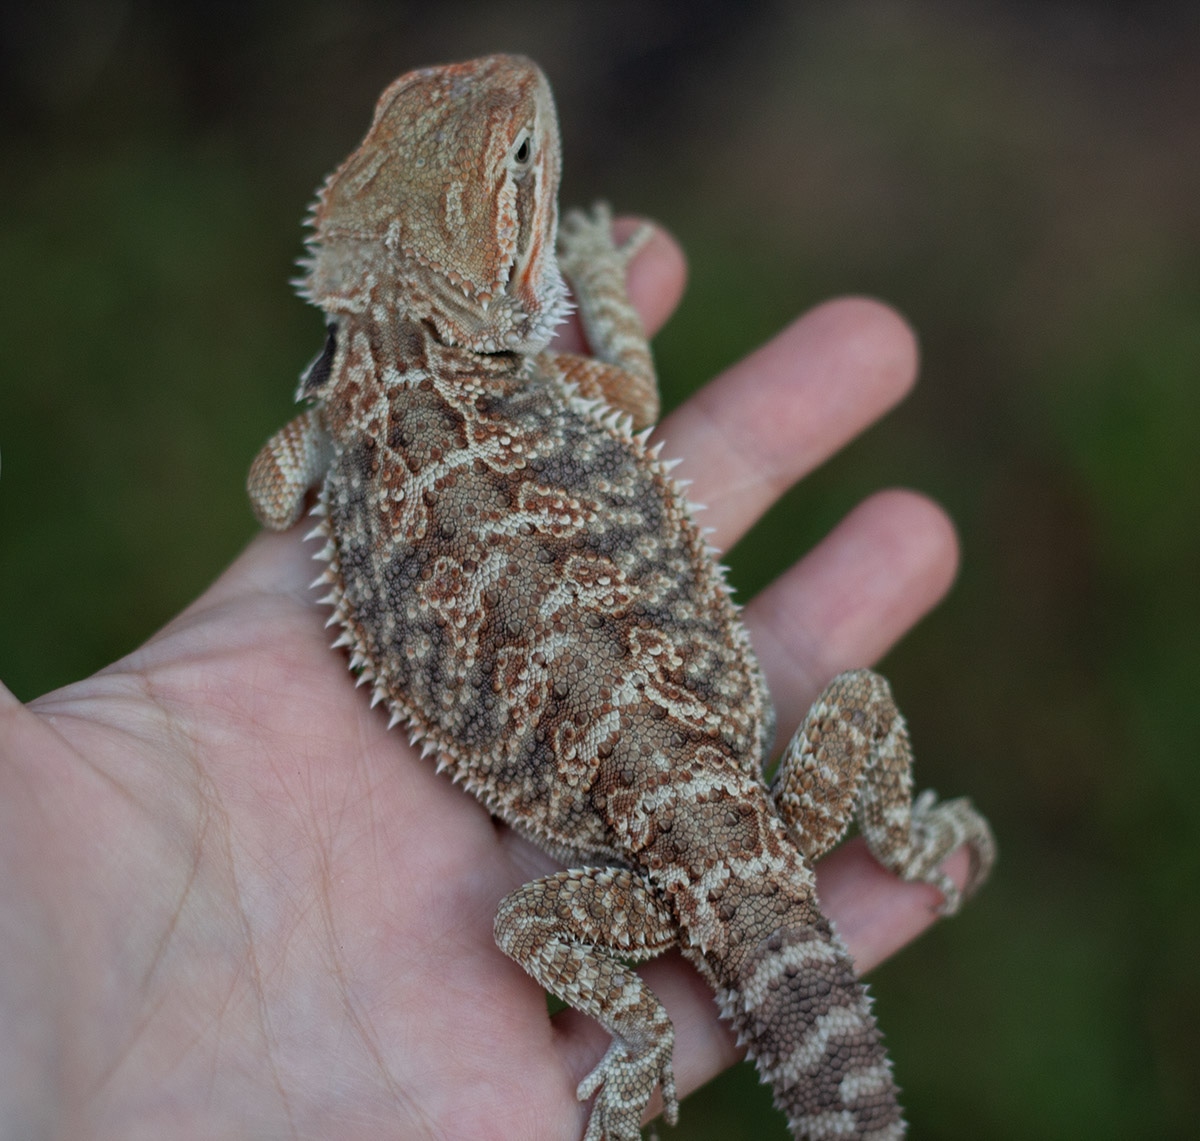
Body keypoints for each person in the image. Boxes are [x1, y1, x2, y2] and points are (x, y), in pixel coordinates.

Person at [0, 222, 971, 1138]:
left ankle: (661, 1027)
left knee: (535, 919)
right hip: (710, 793)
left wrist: (640, 1028)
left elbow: (270, 486)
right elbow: (625, 389)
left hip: (686, 809)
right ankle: (906, 835)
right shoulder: (509, 384)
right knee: (856, 704)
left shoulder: (391, 414)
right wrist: (598, 277)